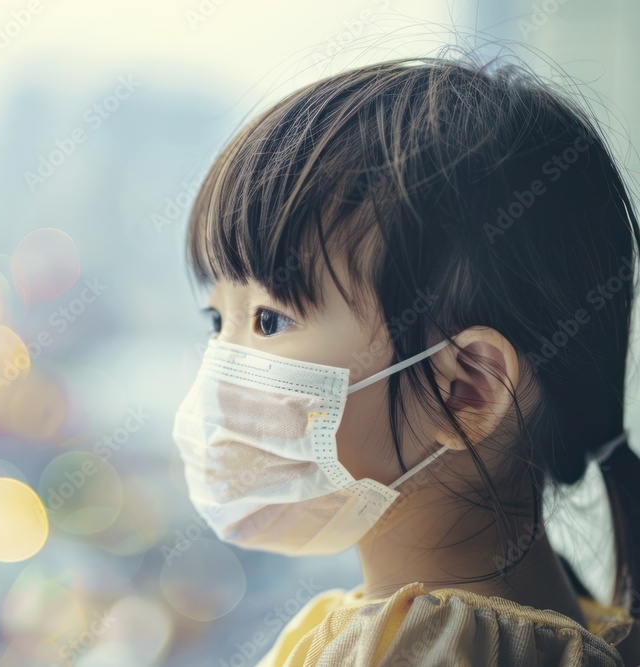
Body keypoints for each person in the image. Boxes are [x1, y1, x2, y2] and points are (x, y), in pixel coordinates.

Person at [171, 54, 640, 666]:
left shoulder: (409, 650)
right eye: (216, 322)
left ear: (466, 390)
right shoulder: (582, 628)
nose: (218, 376)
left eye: (270, 320)